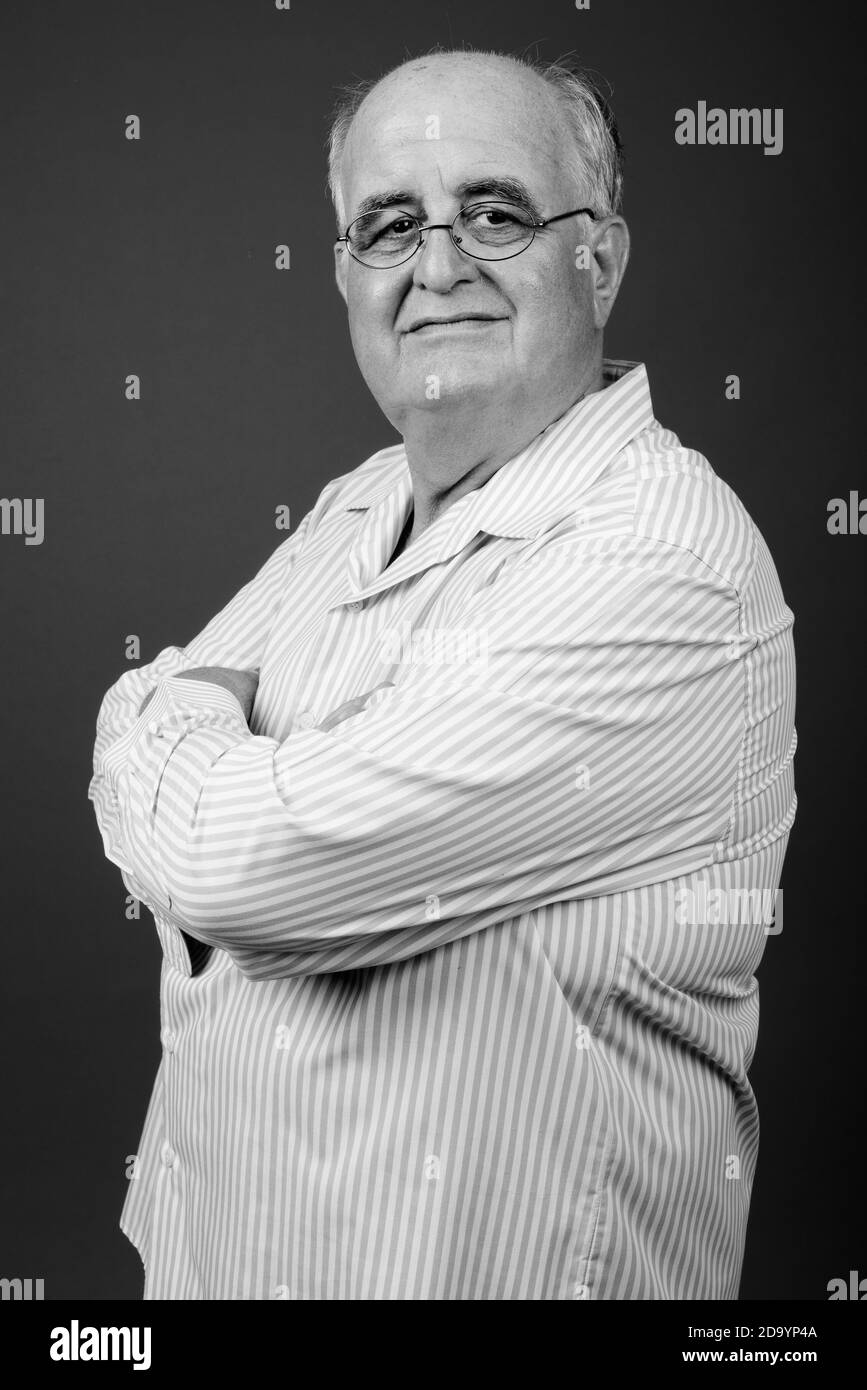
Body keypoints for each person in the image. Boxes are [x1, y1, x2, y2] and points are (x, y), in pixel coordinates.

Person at [89, 47, 796, 1300]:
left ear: (603, 258)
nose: (437, 264)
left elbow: (234, 864)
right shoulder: (356, 503)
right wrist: (183, 719)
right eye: (390, 225)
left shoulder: (667, 558)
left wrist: (185, 724)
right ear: (348, 276)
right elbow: (148, 722)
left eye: (496, 213)